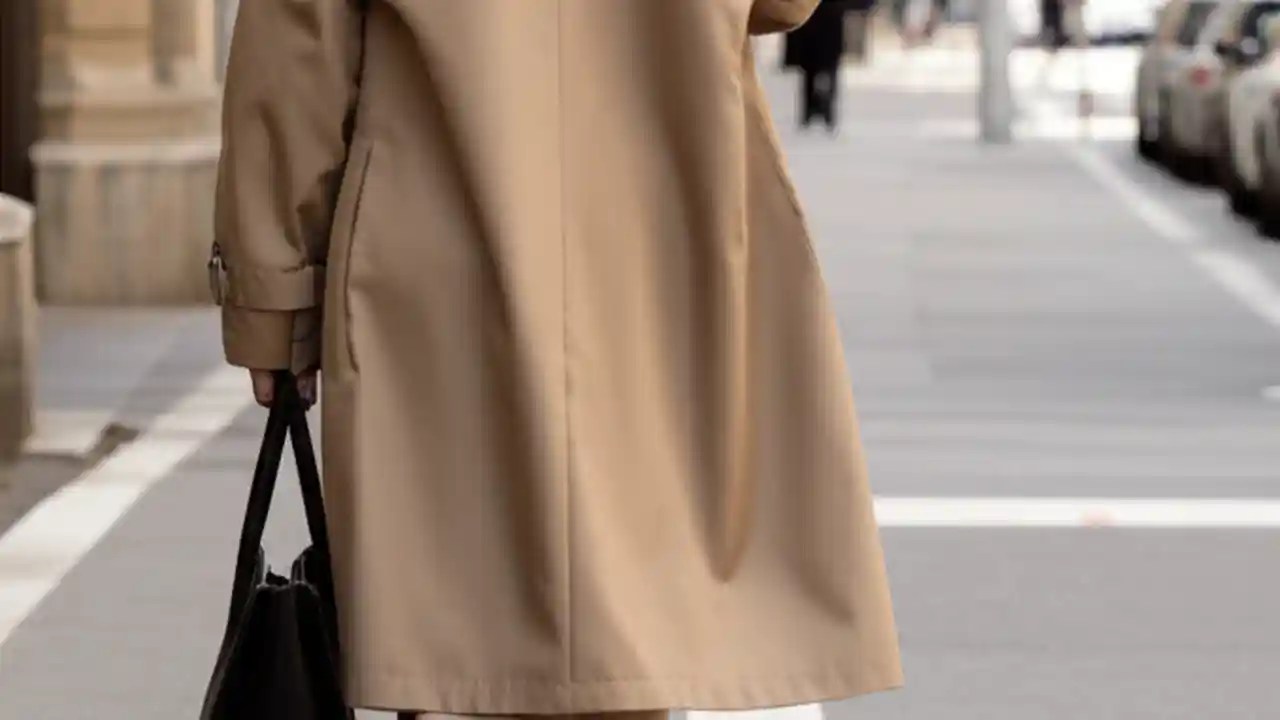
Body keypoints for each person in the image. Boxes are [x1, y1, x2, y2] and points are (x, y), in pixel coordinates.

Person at [212, 1, 903, 719]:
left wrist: (272, 295)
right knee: (627, 636)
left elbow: (295, 51)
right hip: (656, 246)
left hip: (440, 240)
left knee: (455, 639)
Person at [786, 0, 854, 131]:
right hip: (819, 23)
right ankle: (816, 109)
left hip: (822, 22)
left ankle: (817, 109)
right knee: (817, 69)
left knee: (819, 69)